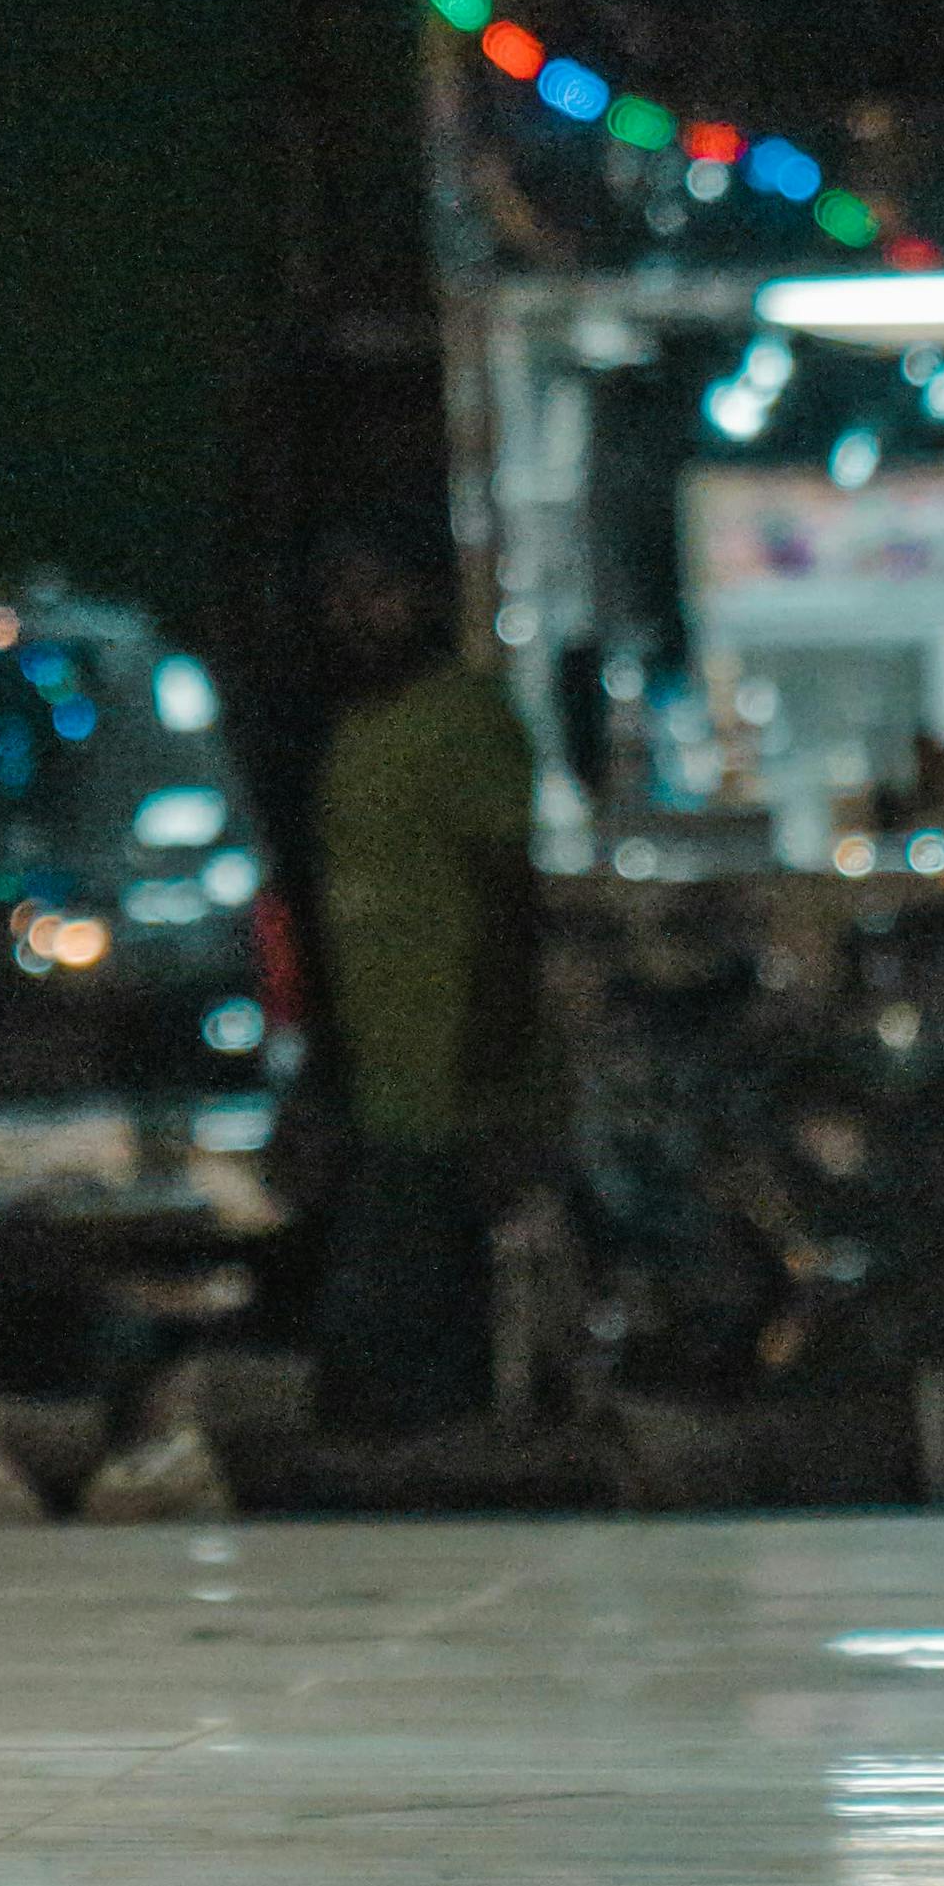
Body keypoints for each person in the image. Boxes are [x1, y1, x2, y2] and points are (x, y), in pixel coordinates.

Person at [303, 521, 546, 1441]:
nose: (356, 616)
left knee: (391, 1324)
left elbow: (508, 900)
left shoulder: (464, 718)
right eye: (341, 595)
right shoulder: (354, 730)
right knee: (405, 1321)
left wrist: (493, 1065)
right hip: (382, 1087)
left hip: (454, 1083)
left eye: (378, 592)